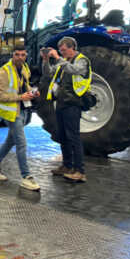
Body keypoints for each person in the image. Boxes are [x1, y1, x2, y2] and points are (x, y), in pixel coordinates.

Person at [0, 44, 41, 191]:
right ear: (13, 55)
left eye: (23, 55)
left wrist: (32, 92)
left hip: (21, 110)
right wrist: (20, 97)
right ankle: (26, 176)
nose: (20, 57)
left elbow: (24, 86)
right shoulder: (3, 72)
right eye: (17, 54)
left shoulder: (25, 68)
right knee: (21, 144)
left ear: (26, 55)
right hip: (10, 112)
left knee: (11, 141)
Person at [43, 37, 91, 183]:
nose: (62, 53)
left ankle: (79, 171)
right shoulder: (63, 62)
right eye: (60, 51)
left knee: (73, 137)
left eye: (64, 50)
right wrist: (45, 60)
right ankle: (67, 166)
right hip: (61, 104)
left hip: (73, 104)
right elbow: (49, 74)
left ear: (72, 48)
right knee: (63, 136)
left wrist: (57, 58)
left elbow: (74, 70)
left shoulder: (82, 60)